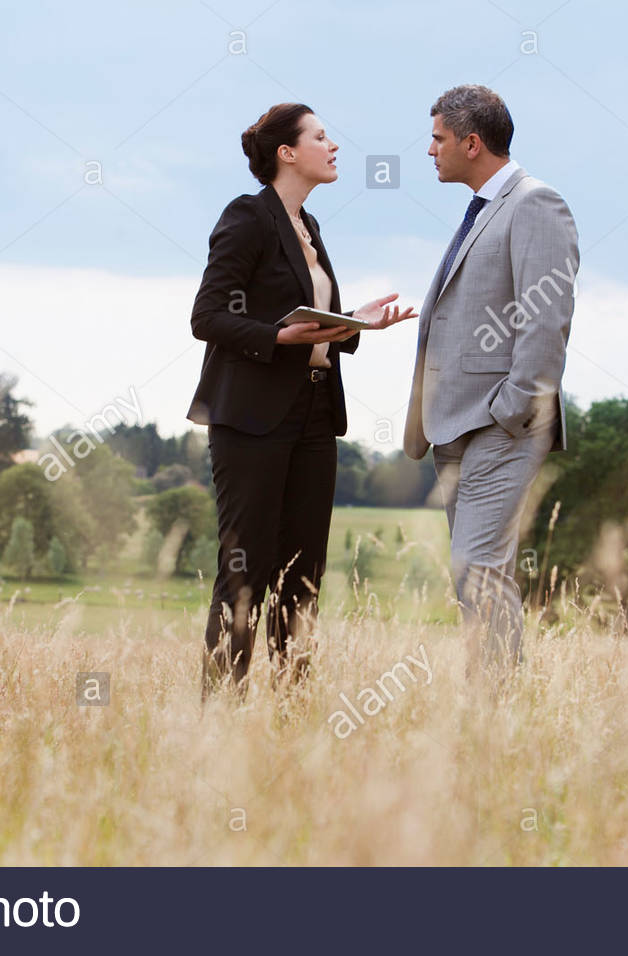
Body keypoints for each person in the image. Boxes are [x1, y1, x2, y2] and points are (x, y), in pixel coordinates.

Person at [187, 102, 414, 700]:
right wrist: (277, 336)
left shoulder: (308, 225)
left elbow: (310, 323)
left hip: (315, 413)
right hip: (252, 420)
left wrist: (353, 323)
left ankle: (292, 713)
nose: (333, 146)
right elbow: (207, 317)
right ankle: (221, 714)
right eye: (320, 136)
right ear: (287, 153)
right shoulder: (248, 217)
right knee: (246, 571)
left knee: (303, 577)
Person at [402, 84, 579, 680]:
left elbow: (546, 316)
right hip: (456, 426)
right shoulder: (482, 207)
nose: (430, 150)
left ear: (471, 143)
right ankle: (496, 715)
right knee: (479, 572)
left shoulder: (535, 203)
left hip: (501, 425)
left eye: (438, 138)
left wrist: (510, 409)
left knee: (476, 566)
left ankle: (494, 706)